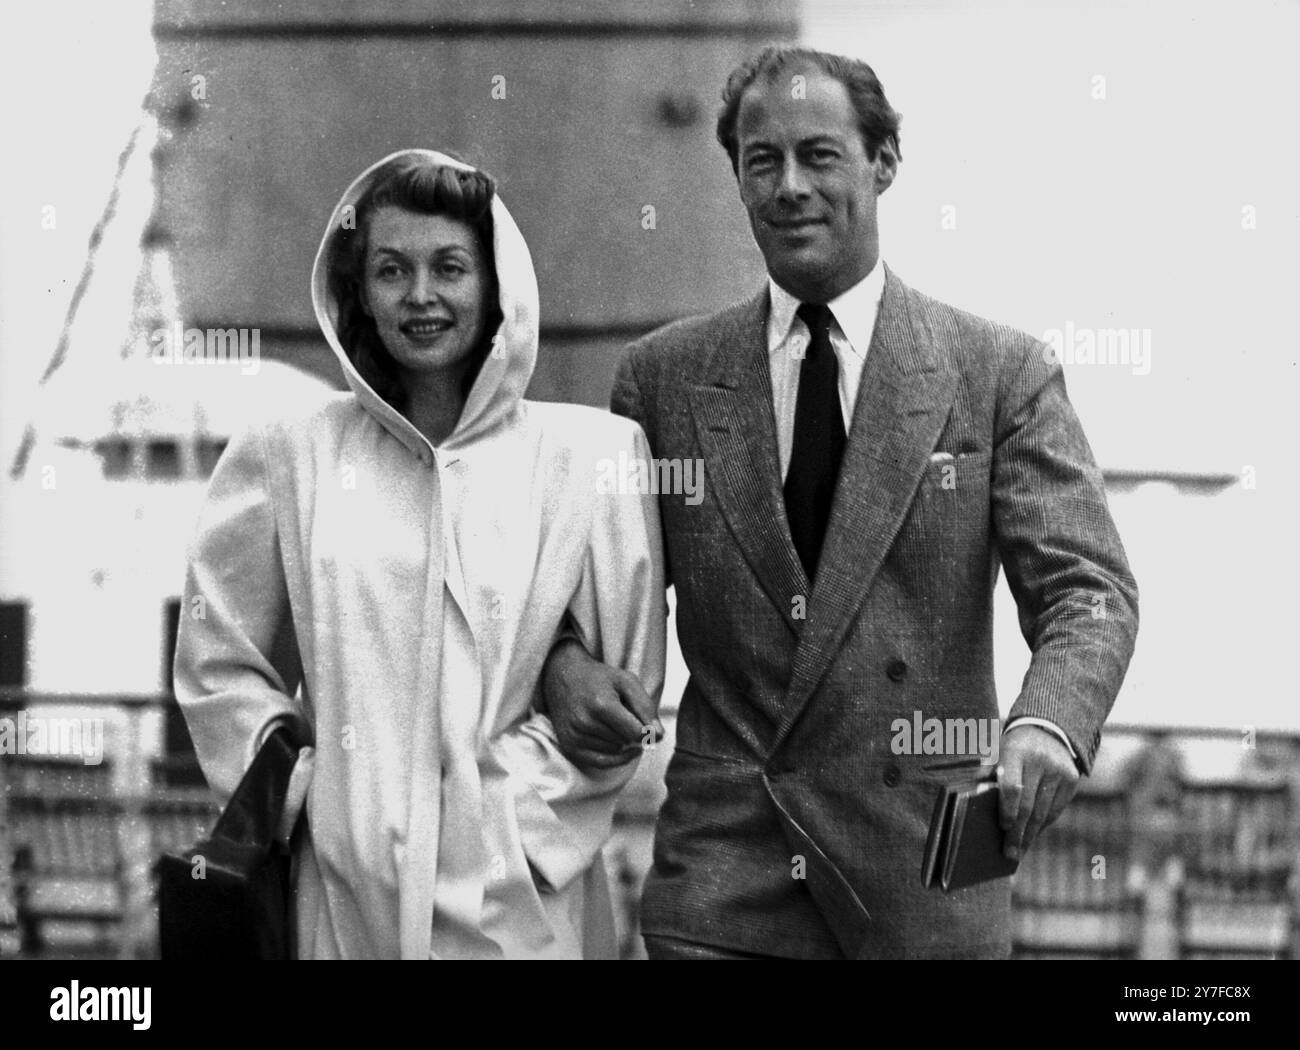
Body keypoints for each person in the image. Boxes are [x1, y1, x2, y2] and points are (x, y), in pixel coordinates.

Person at [542, 47, 1139, 959]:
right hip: (724, 881)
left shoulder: (998, 373)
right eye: (760, 160)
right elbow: (578, 596)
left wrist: (1048, 724)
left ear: (883, 163)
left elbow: (1087, 591)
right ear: (736, 177)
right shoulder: (661, 380)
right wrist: (566, 665)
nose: (789, 187)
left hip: (929, 875)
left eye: (820, 155)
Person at [173, 149, 666, 959]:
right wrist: (316, 802)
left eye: (450, 267)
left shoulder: (591, 457)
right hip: (339, 904)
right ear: (358, 291)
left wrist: (500, 835)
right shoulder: (289, 451)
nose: (422, 296)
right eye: (392, 270)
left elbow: (625, 697)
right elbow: (217, 659)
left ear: (495, 283)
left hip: (524, 917)